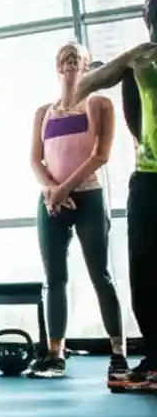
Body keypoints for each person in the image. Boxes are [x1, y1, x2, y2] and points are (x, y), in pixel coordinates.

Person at [28, 41, 127, 380]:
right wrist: (50, 192)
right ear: (58, 68)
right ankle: (55, 354)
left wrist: (63, 190)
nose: (70, 61)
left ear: (87, 67)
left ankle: (118, 353)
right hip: (52, 201)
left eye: (77, 58)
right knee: (54, 277)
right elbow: (34, 159)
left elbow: (100, 155)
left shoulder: (98, 104)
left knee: (99, 274)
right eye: (64, 58)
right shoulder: (44, 112)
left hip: (86, 197)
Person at [74, 0, 157, 392]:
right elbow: (82, 88)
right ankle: (156, 357)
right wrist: (128, 59)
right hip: (148, 176)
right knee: (144, 271)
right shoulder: (140, 59)